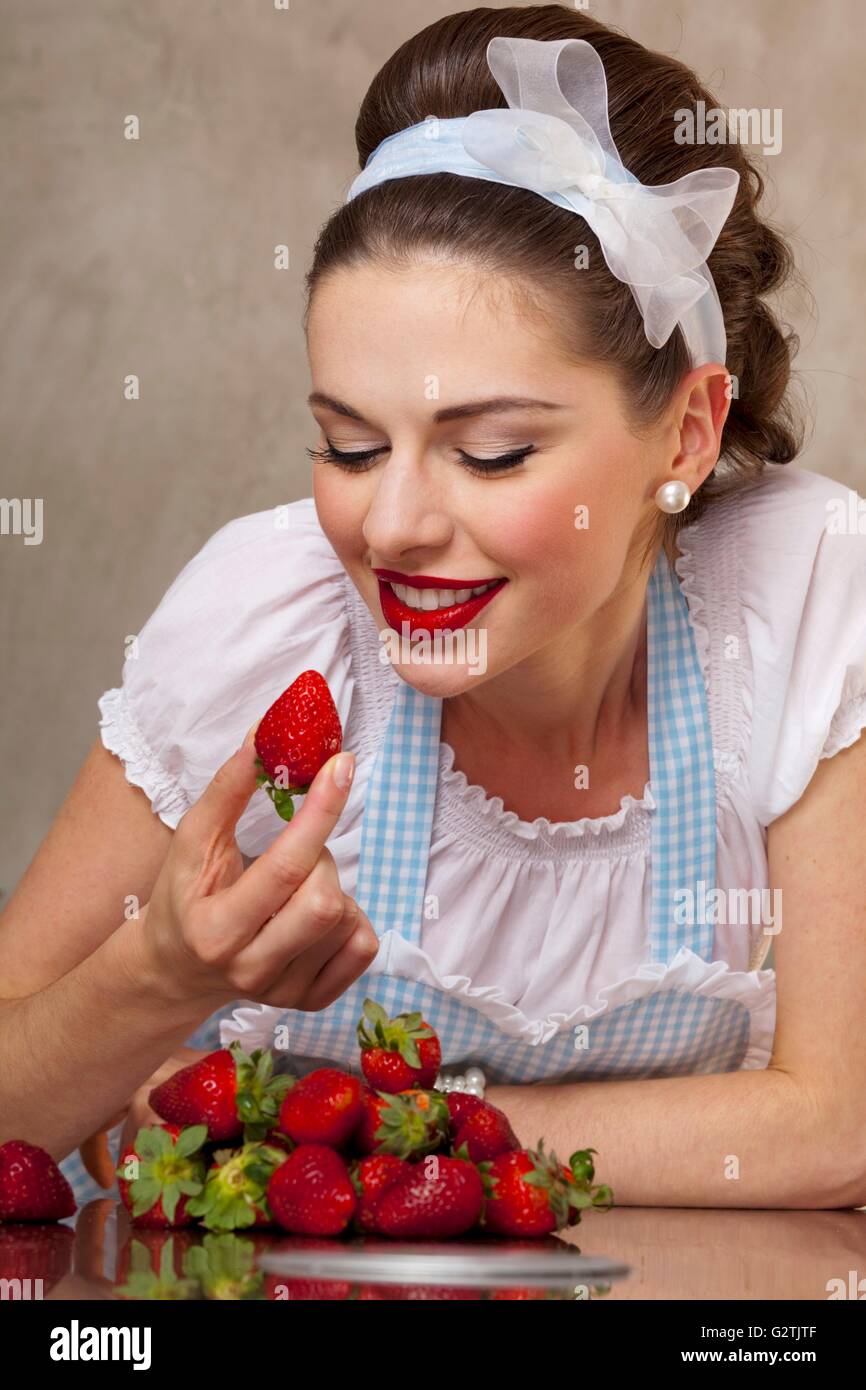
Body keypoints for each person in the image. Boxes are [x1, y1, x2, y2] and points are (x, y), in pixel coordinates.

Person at [2, 5, 865, 1213]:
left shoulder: (800, 593)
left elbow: (838, 1125)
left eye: (493, 452)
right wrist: (153, 977)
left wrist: (363, 1130)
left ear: (685, 428)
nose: (391, 524)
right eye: (349, 446)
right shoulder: (268, 610)